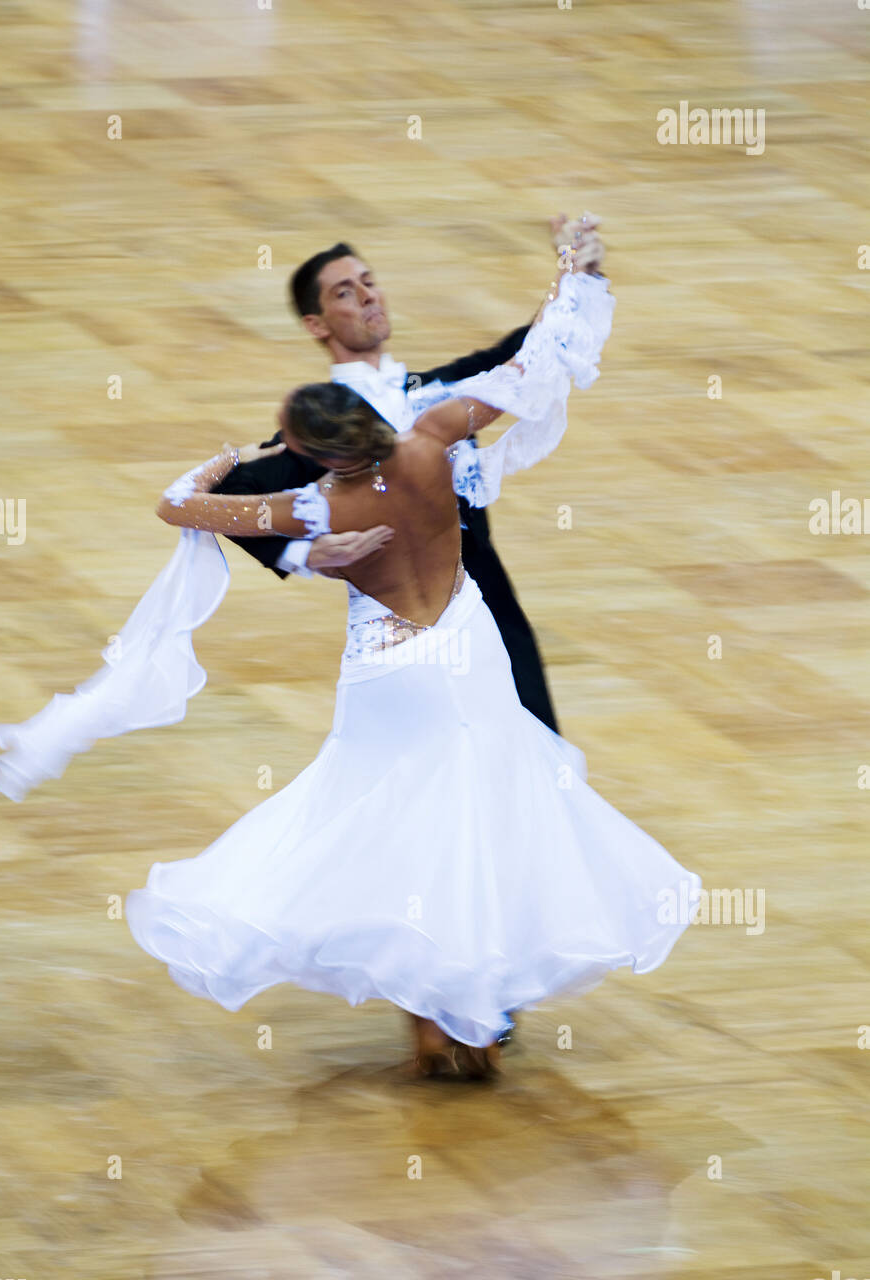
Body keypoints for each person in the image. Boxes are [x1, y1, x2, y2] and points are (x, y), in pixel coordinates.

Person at [123, 252, 702, 1080]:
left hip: (387, 678)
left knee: (396, 827)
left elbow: (179, 504)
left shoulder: (316, 505)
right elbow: (524, 371)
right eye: (343, 292)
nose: (366, 297)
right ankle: (476, 1018)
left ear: (311, 447)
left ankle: (432, 1027)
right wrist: (575, 281)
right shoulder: (434, 439)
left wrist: (236, 472)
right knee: (480, 818)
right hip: (469, 655)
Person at [208, 215, 604, 735]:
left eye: (370, 283)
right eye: (346, 293)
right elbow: (228, 491)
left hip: (489, 604)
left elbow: (527, 349)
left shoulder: (436, 388)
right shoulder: (326, 424)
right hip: (402, 630)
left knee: (531, 757)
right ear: (316, 323)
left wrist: (577, 275)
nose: (368, 297)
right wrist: (301, 553)